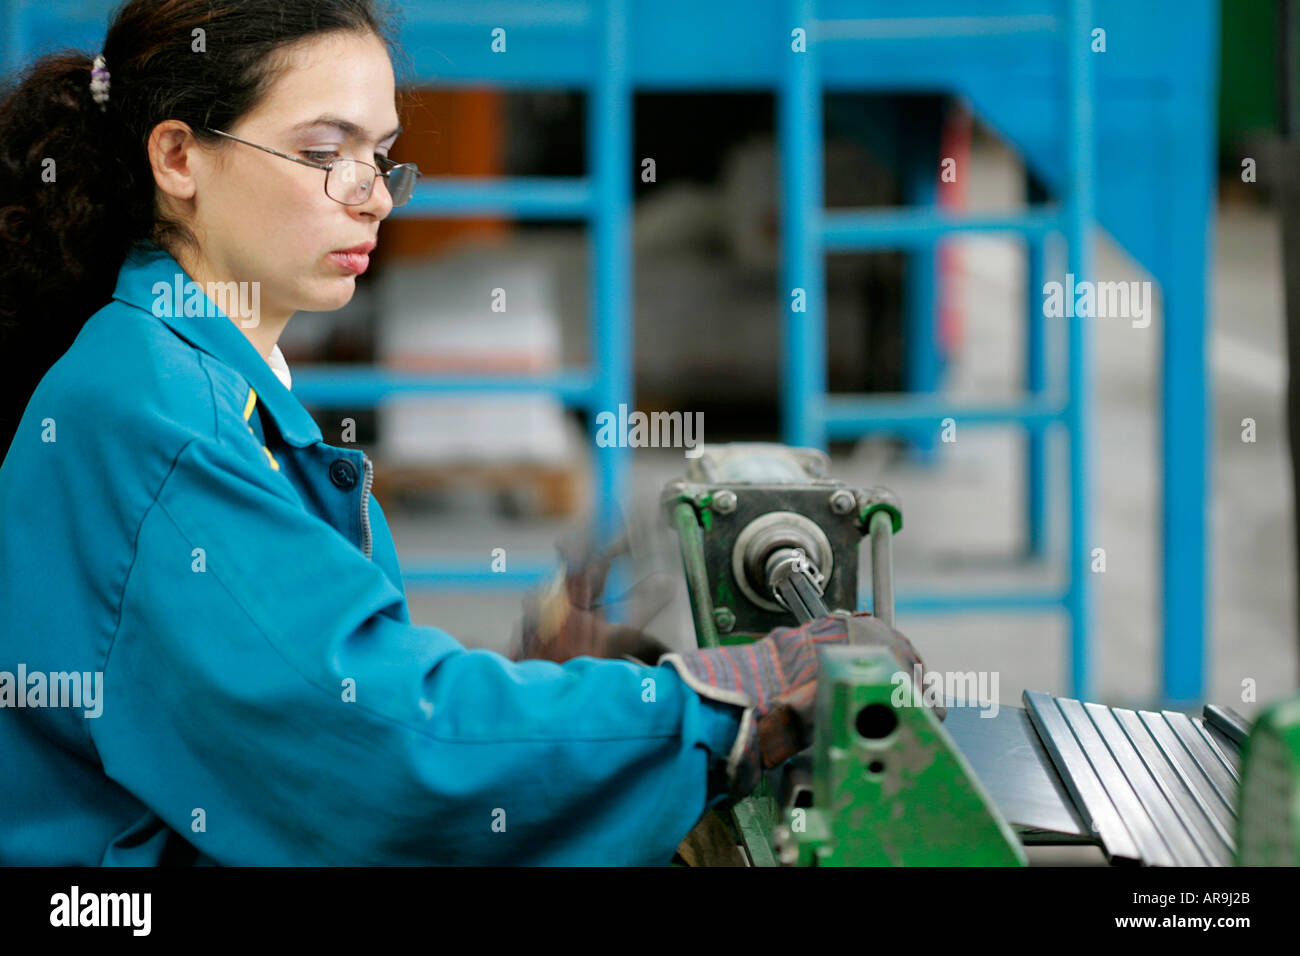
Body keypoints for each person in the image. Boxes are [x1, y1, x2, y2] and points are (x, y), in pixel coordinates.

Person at [0, 0, 935, 866]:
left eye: (381, 156)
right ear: (178, 158)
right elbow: (378, 750)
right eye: (326, 153)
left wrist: (537, 692)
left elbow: (305, 689)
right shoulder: (161, 421)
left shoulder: (198, 377)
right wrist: (728, 704)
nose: (373, 197)